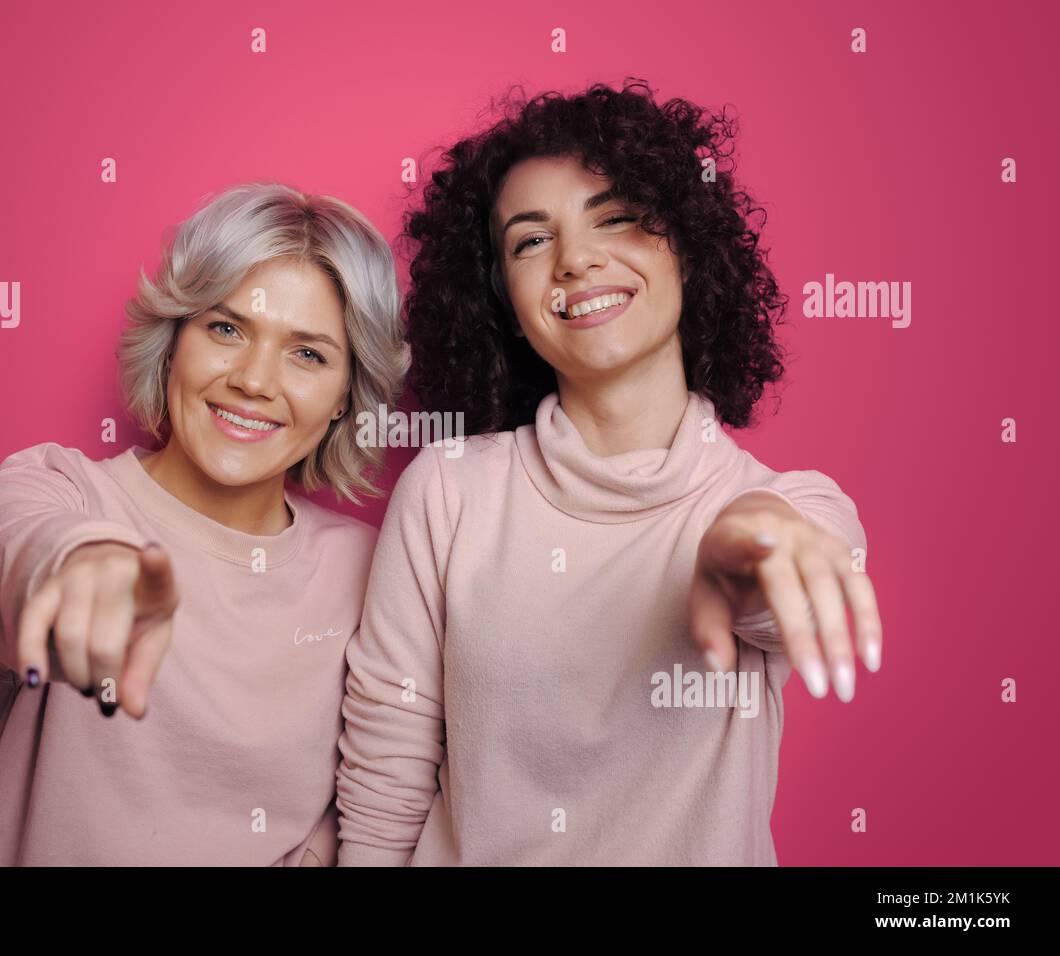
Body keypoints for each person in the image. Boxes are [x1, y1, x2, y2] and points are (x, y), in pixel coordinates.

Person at [335, 79, 883, 865]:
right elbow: (387, 771)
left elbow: (777, 577)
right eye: (530, 240)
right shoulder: (448, 490)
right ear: (503, 303)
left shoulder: (785, 503)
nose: (577, 260)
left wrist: (749, 548)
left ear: (687, 248)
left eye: (617, 219)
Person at [0, 182, 408, 866]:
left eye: (307, 354)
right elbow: (20, 545)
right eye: (227, 328)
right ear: (174, 341)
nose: (254, 379)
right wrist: (84, 565)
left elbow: (384, 791)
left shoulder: (372, 569)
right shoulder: (61, 490)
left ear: (346, 395)